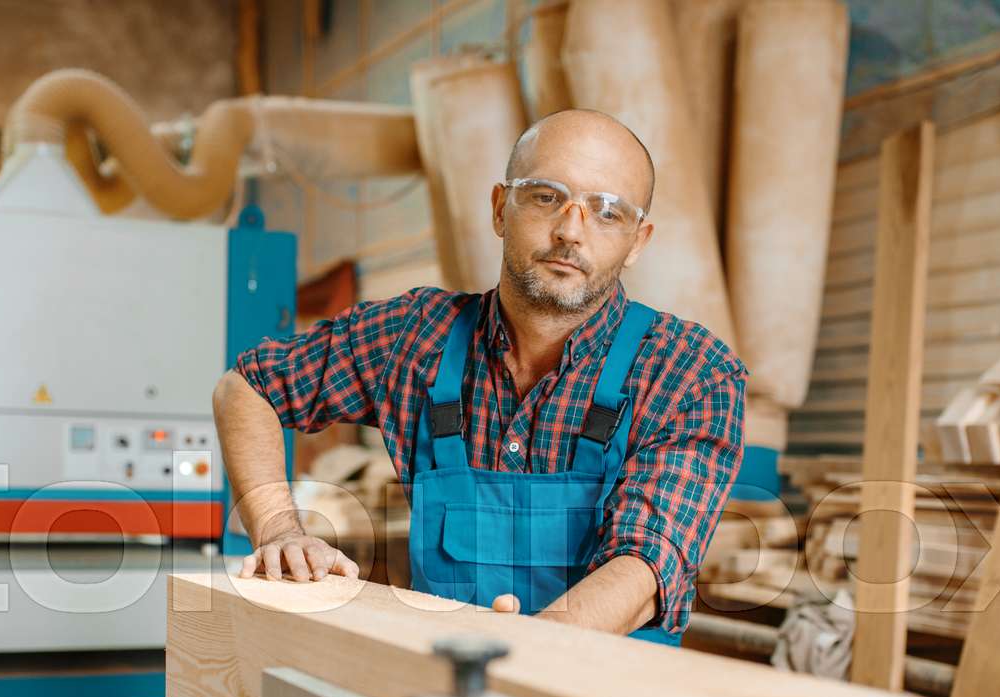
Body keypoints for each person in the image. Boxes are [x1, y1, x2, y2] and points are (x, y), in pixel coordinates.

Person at [212, 108, 745, 643]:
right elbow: (248, 386)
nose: (570, 231)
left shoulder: (692, 375)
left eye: (607, 213)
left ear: (638, 241)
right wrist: (279, 528)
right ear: (499, 209)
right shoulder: (413, 338)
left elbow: (645, 562)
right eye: (545, 196)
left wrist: (521, 661)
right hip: (446, 689)